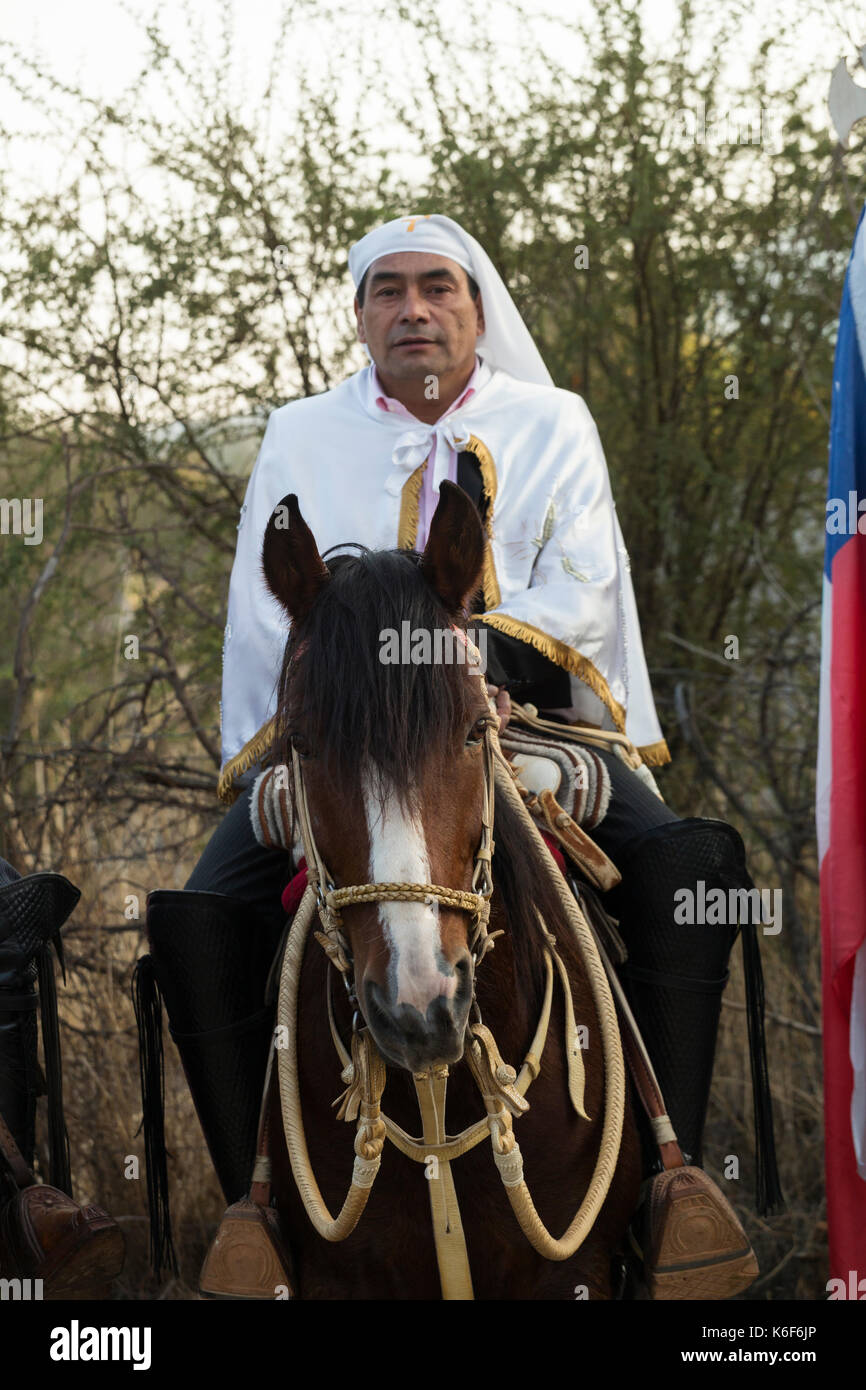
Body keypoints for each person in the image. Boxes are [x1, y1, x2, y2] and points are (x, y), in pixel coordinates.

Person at [143, 213, 780, 1299]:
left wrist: (457, 661)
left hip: (524, 723)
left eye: (437, 288)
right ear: (359, 316)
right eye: (386, 291)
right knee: (197, 909)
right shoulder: (301, 431)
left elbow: (581, 583)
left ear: (475, 308)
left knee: (688, 864)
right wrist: (298, 739)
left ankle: (673, 1177)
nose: (413, 310)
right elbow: (261, 606)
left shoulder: (552, 421)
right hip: (341, 740)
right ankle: (252, 1204)